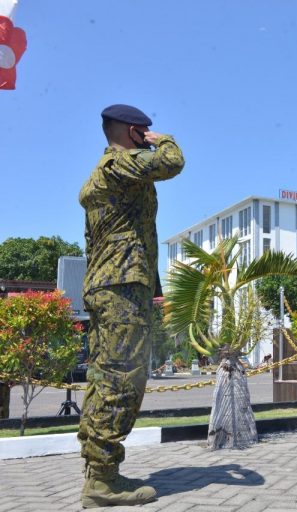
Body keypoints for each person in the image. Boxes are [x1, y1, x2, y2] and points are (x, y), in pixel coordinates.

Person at [78, 104, 184, 507]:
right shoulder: (120, 165)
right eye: (142, 130)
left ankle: (98, 469)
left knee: (103, 378)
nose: (148, 134)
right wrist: (164, 139)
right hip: (122, 287)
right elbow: (173, 162)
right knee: (123, 379)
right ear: (130, 131)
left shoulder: (101, 175)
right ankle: (102, 480)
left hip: (107, 285)